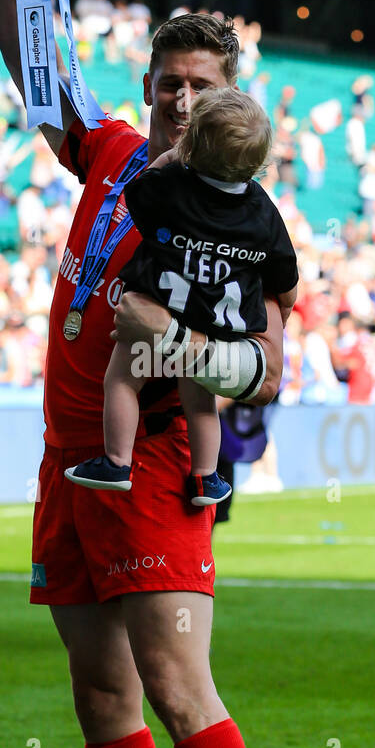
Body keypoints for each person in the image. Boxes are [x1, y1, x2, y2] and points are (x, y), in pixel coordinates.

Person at [0, 0, 285, 748]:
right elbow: (33, 66)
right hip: (68, 461)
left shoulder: (233, 214)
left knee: (175, 683)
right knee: (100, 691)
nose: (175, 101)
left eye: (197, 89)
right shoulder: (105, 152)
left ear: (223, 104)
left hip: (152, 462)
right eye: (165, 83)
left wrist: (170, 349)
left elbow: (268, 368)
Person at [65, 89, 298, 505]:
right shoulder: (262, 209)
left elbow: (136, 196)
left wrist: (171, 158)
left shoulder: (173, 186)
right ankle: (206, 478)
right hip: (209, 329)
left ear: (192, 145)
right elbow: (284, 270)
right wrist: (287, 304)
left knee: (121, 381)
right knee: (201, 400)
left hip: (154, 315)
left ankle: (117, 462)